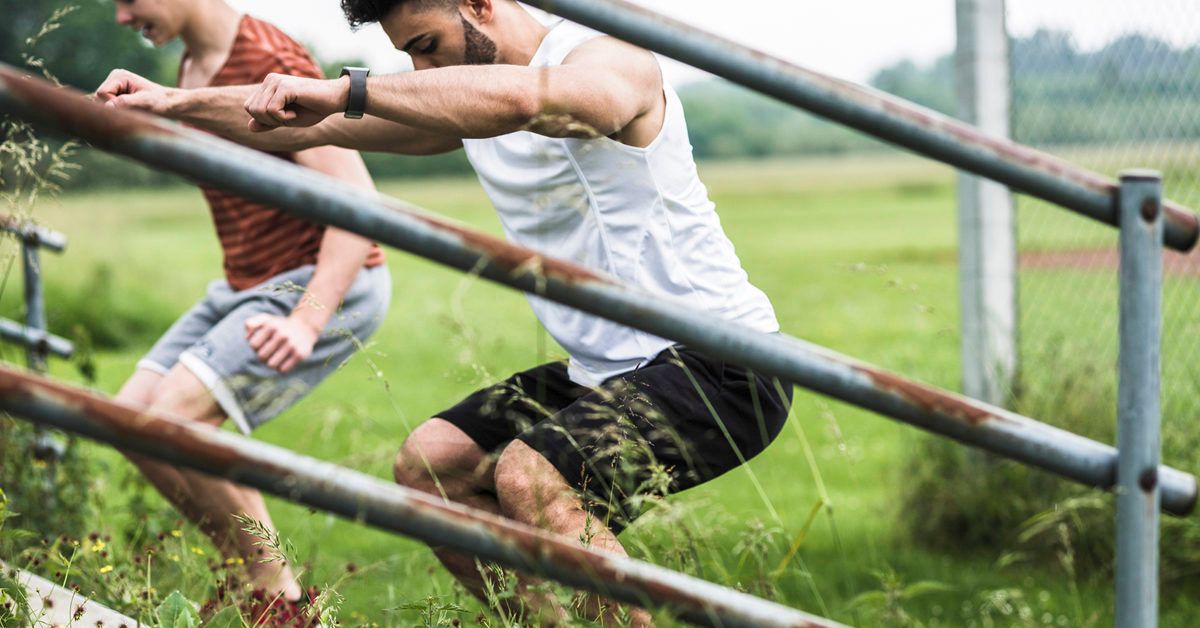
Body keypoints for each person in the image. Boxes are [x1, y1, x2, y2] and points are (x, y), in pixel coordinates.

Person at [96, 0, 788, 623]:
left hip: (720, 362)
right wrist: (173, 106)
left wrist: (355, 86)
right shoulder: (465, 106)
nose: (420, 68)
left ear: (480, 6)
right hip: (602, 371)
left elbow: (573, 102)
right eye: (407, 57)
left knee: (531, 476)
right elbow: (296, 128)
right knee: (431, 468)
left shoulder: (605, 51)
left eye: (426, 45)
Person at [100, 0, 391, 612]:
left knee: (179, 420)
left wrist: (308, 319)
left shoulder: (269, 61)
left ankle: (280, 603)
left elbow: (358, 203)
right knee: (130, 421)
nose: (122, 17)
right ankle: (249, 576)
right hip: (244, 282)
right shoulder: (189, 67)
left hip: (319, 282)